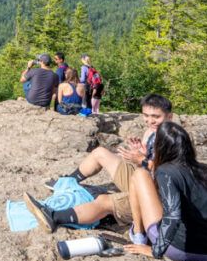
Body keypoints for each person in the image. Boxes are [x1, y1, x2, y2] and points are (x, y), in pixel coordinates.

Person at [30, 94, 175, 231]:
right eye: (146, 116)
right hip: (141, 179)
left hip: (154, 195)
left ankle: (54, 217)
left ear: (169, 116)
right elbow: (145, 162)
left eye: (156, 117)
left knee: (104, 201)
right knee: (100, 153)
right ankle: (67, 182)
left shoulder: (174, 139)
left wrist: (141, 160)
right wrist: (139, 153)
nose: (150, 121)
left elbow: (170, 176)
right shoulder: (151, 131)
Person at [119, 122, 207, 261]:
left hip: (181, 252)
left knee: (139, 174)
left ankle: (138, 236)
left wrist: (155, 251)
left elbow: (173, 216)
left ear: (160, 147)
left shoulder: (165, 171)